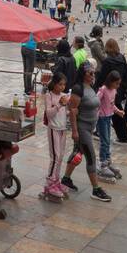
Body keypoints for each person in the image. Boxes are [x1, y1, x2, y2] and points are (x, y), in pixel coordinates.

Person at [61, 62, 113, 201]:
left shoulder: (90, 86)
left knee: (77, 153)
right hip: (82, 128)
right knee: (91, 157)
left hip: (90, 128)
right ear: (83, 73)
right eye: (90, 73)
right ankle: (96, 189)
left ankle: (65, 179)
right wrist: (75, 131)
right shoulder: (78, 89)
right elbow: (72, 111)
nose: (93, 75)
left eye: (93, 73)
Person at [40, 72, 70, 201]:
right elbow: (49, 114)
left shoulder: (64, 96)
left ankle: (56, 180)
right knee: (55, 156)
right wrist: (60, 104)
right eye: (60, 84)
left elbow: (65, 113)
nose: (62, 87)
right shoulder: (49, 96)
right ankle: (49, 183)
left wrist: (70, 111)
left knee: (61, 156)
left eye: (64, 84)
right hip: (53, 129)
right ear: (54, 84)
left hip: (63, 129)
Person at [96, 70, 125, 180]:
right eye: (116, 83)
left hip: (109, 117)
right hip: (102, 118)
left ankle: (108, 160)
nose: (118, 86)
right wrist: (96, 113)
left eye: (119, 83)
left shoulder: (114, 91)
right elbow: (95, 100)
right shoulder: (103, 90)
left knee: (108, 139)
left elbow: (112, 104)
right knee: (105, 141)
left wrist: (118, 111)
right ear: (111, 81)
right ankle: (103, 163)